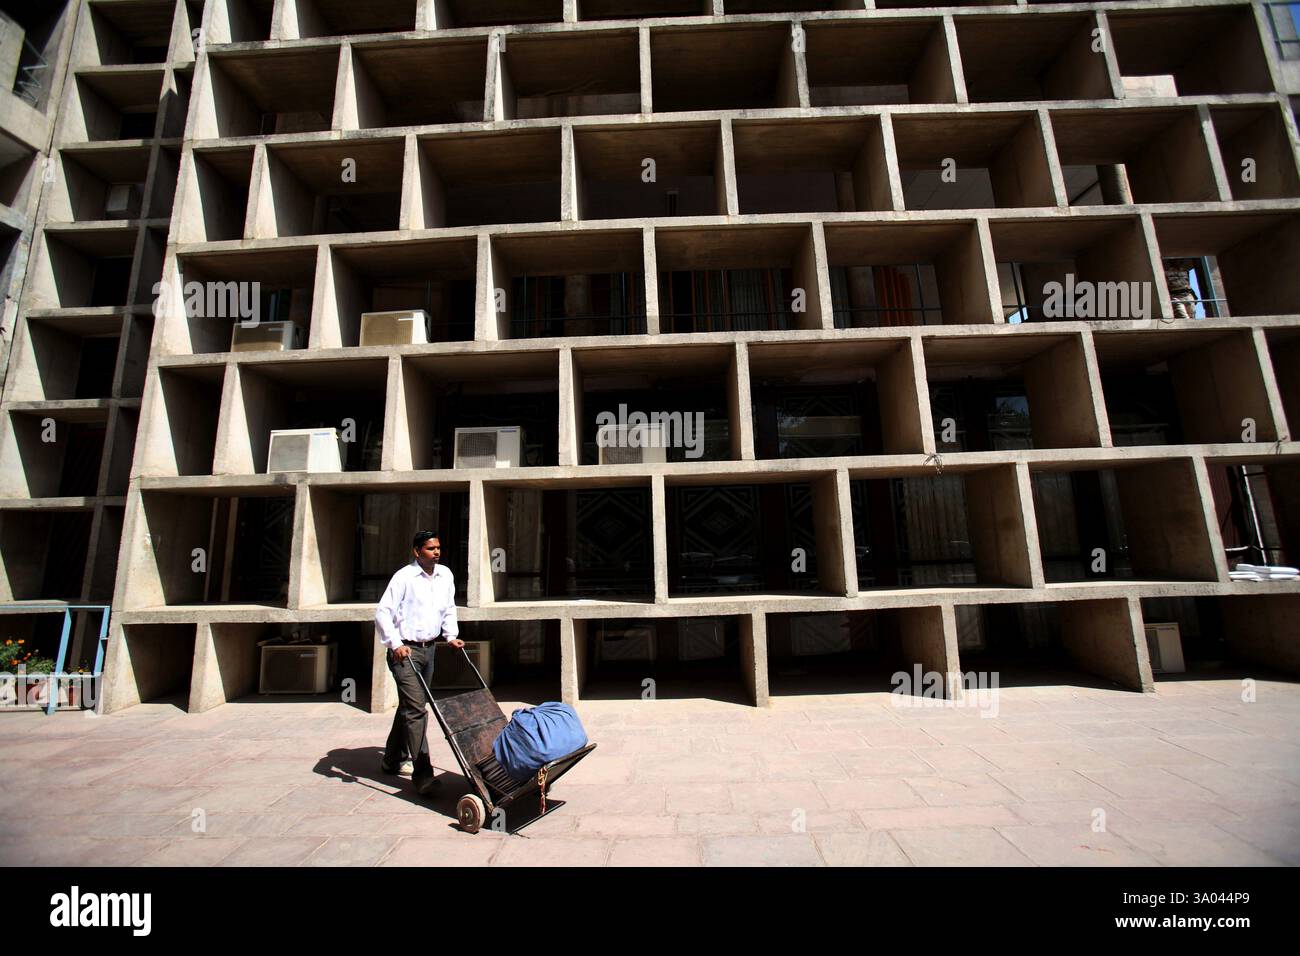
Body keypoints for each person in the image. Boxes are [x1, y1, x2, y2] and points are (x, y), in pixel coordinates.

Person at [374, 531, 464, 795]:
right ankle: (423, 775)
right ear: (416, 552)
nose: (436, 552)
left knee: (410, 707)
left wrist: (451, 636)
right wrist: (395, 643)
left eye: (438, 548)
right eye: (429, 548)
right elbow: (383, 612)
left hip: (430, 650)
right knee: (417, 711)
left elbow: (448, 607)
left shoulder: (445, 575)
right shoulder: (404, 578)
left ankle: (391, 759)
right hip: (405, 652)